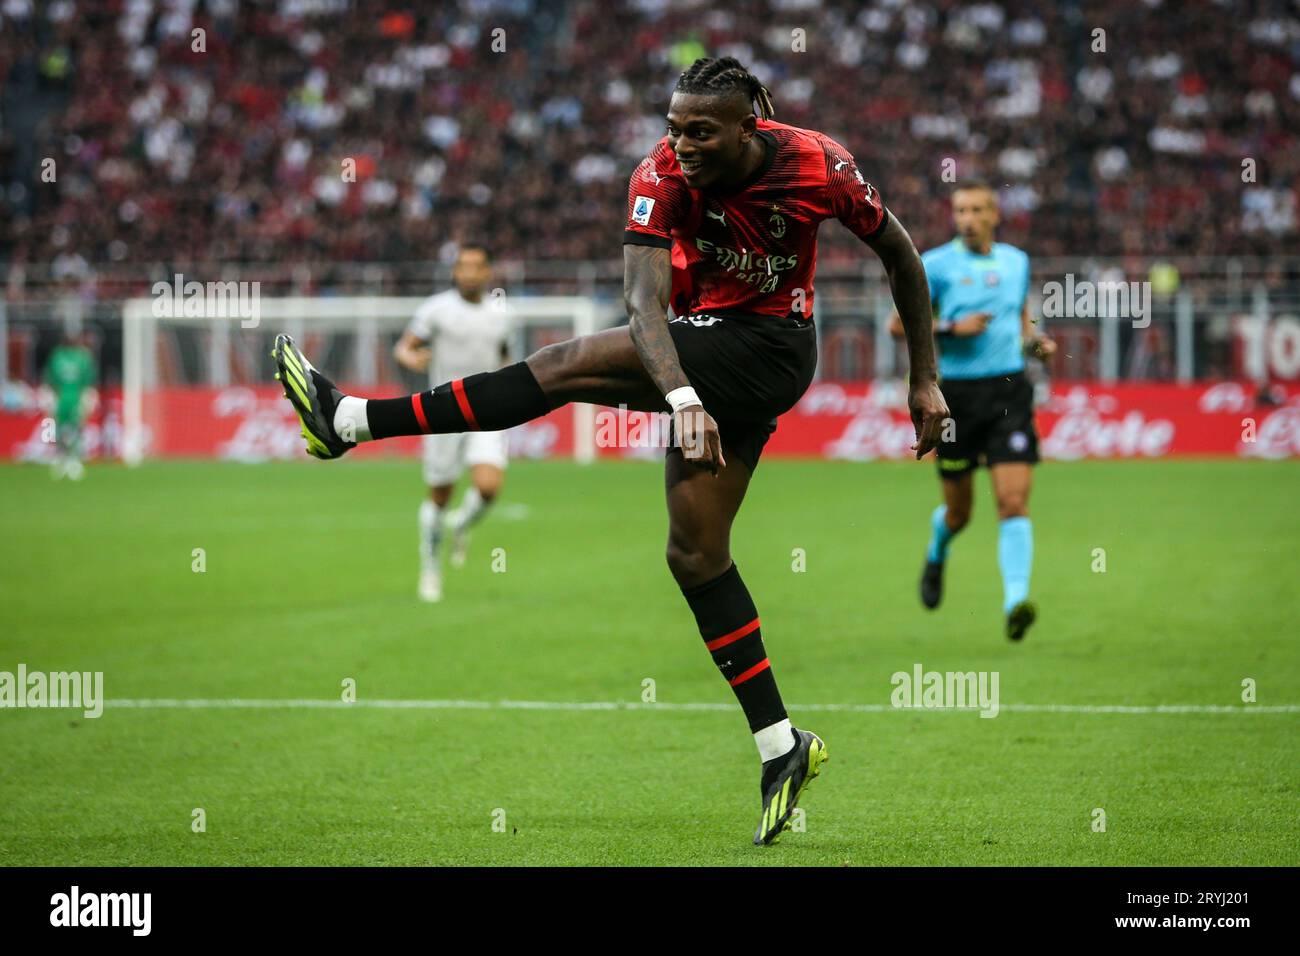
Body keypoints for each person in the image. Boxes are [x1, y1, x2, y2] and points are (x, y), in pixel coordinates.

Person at [273, 57, 949, 845]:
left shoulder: (816, 163)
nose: (681, 142)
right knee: (695, 554)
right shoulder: (660, 174)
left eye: (700, 130)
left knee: (562, 368)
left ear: (748, 126)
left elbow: (900, 255)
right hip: (699, 354)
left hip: (771, 349)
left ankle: (350, 419)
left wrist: (924, 381)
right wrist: (686, 397)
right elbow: (641, 302)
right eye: (673, 126)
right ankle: (781, 747)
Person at [889, 182, 1056, 640]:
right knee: (959, 514)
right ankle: (938, 550)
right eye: (961, 209)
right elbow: (895, 324)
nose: (968, 217)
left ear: (995, 214)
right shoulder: (936, 264)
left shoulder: (1016, 262)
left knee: (1012, 502)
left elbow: (1021, 320)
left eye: (977, 209)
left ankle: (1015, 601)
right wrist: (950, 327)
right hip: (954, 400)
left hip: (1009, 393)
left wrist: (1035, 343)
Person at [391, 244, 513, 602]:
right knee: (440, 496)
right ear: (455, 271)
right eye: (463, 266)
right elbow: (404, 347)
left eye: (476, 266)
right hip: (443, 412)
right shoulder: (437, 309)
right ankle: (430, 566)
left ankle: (461, 525)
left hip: (487, 412)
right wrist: (411, 358)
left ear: (488, 272)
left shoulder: (502, 313)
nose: (469, 273)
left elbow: (505, 357)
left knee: (488, 487)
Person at [42, 331, 98, 481]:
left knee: (76, 428)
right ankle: (62, 458)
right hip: (63, 397)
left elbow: (88, 379)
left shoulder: (82, 356)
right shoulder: (59, 355)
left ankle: (74, 459)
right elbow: (51, 377)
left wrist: (87, 397)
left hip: (74, 397)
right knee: (61, 428)